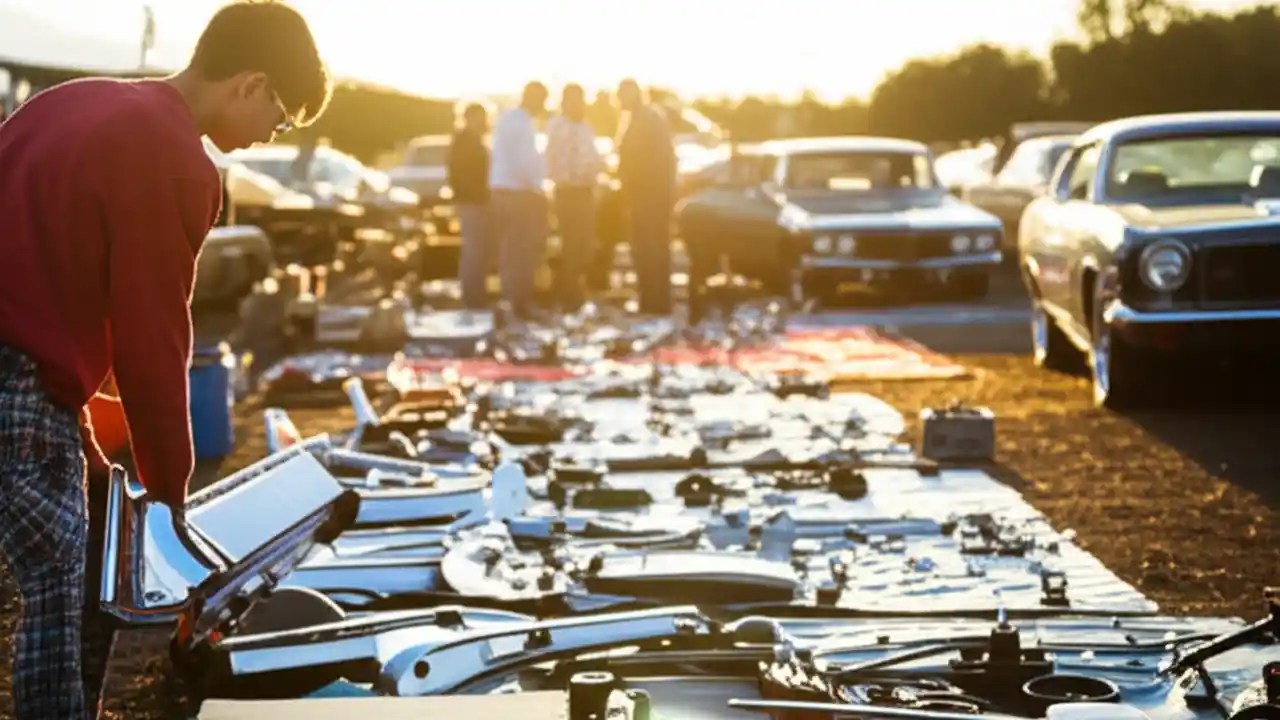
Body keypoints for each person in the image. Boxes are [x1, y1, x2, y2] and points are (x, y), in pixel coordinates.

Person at [0, 1, 331, 717]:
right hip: (17, 389)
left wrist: (76, 415)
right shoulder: (177, 160)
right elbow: (153, 335)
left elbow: (33, 275)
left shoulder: (68, 103)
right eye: (280, 114)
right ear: (250, 83)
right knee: (68, 577)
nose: (271, 133)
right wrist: (170, 492)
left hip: (28, 381)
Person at [615, 78, 677, 315]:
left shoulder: (645, 120)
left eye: (622, 95)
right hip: (652, 197)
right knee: (654, 250)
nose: (618, 100)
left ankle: (653, 302)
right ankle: (655, 300)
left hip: (648, 198)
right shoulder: (646, 118)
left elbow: (638, 162)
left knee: (649, 250)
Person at [489, 81, 549, 319]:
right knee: (521, 250)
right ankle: (519, 304)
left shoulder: (507, 119)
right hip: (518, 193)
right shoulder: (522, 122)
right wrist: (540, 188)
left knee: (509, 249)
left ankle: (511, 301)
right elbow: (526, 162)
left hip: (502, 190)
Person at [545, 83, 604, 312]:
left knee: (585, 246)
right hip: (568, 192)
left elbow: (592, 159)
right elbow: (556, 160)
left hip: (586, 192)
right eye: (573, 99)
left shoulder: (585, 128)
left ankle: (574, 291)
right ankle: (568, 296)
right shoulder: (558, 127)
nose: (578, 104)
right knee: (572, 245)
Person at [448, 101, 494, 309]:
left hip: (480, 200)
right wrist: (474, 194)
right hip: (471, 201)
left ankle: (477, 294)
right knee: (475, 249)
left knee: (481, 249)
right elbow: (459, 174)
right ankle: (471, 297)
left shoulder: (477, 141)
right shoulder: (464, 141)